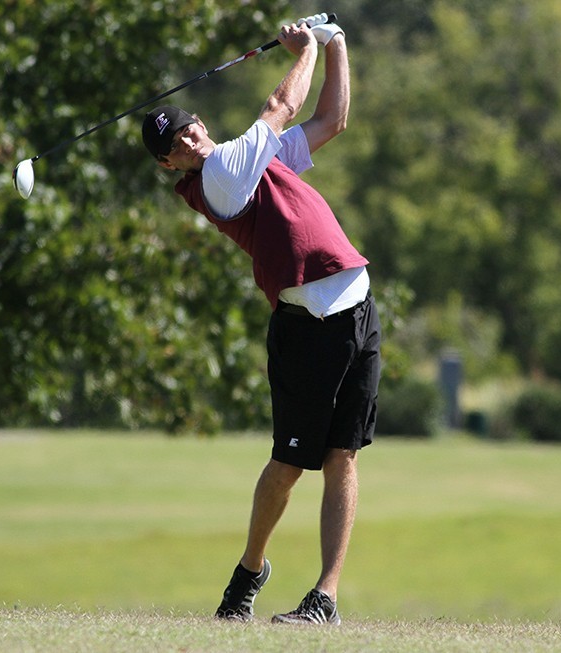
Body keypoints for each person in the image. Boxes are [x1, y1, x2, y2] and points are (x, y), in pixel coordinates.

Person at [141, 15, 380, 626]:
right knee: (288, 465)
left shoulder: (257, 161)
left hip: (356, 307)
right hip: (306, 327)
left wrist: (337, 45)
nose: (189, 141)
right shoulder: (219, 179)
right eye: (175, 146)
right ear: (171, 165)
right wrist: (304, 49)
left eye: (188, 128)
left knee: (342, 457)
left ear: (200, 124)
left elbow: (331, 121)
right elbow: (283, 101)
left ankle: (325, 597)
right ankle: (250, 571)